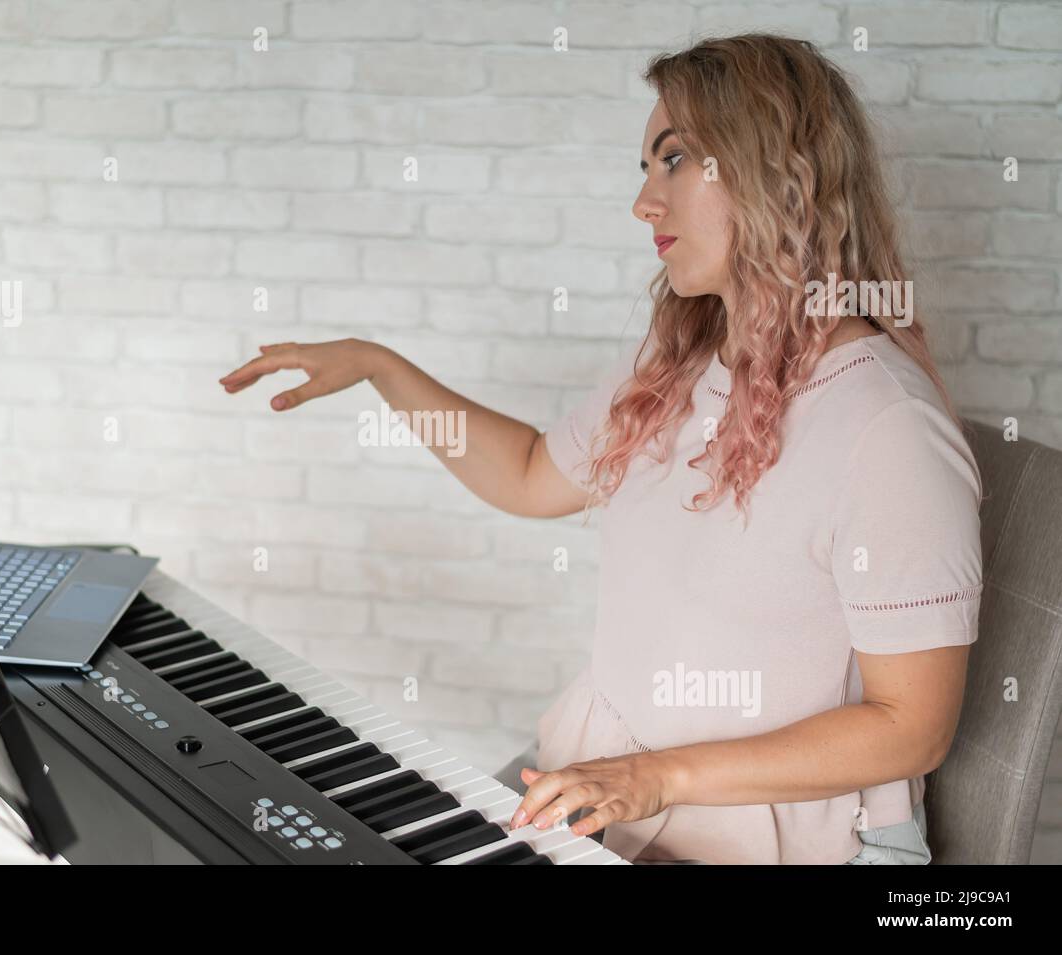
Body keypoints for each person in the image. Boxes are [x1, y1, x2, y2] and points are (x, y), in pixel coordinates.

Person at [218, 33, 982, 865]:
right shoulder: (679, 365)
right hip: (623, 801)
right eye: (645, 169)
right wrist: (379, 368)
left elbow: (913, 728)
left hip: (767, 839)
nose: (644, 204)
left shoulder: (887, 427)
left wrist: (655, 776)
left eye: (676, 160)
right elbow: (530, 474)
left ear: (776, 172)